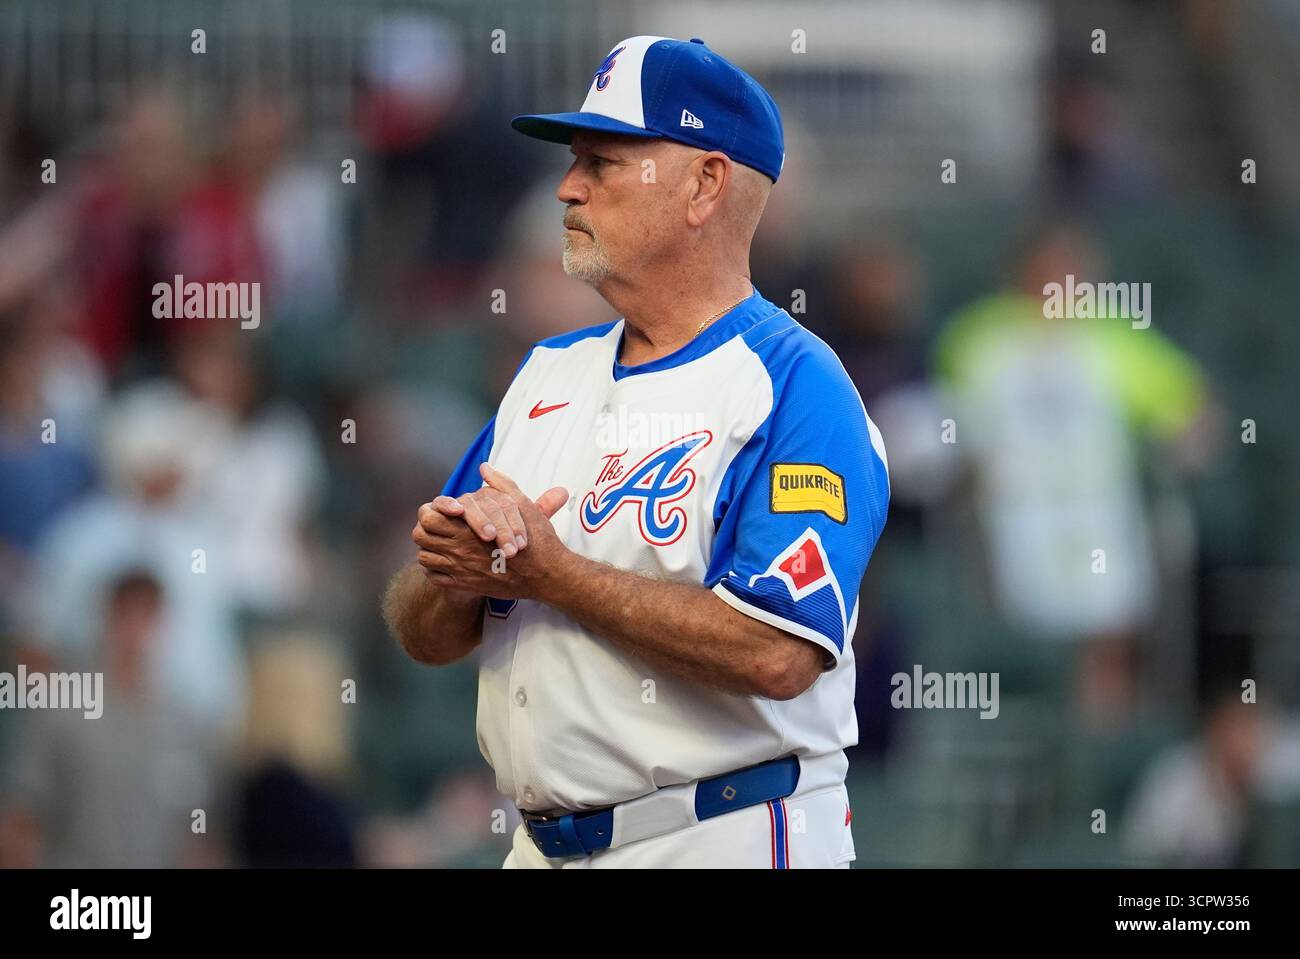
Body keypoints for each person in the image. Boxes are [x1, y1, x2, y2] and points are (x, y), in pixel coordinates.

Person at [383, 36, 890, 868]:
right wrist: (456, 571)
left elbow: (778, 650)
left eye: (603, 161)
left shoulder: (795, 386)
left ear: (704, 185)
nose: (567, 187)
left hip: (721, 833)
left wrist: (551, 573)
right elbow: (423, 632)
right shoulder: (546, 374)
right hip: (539, 844)